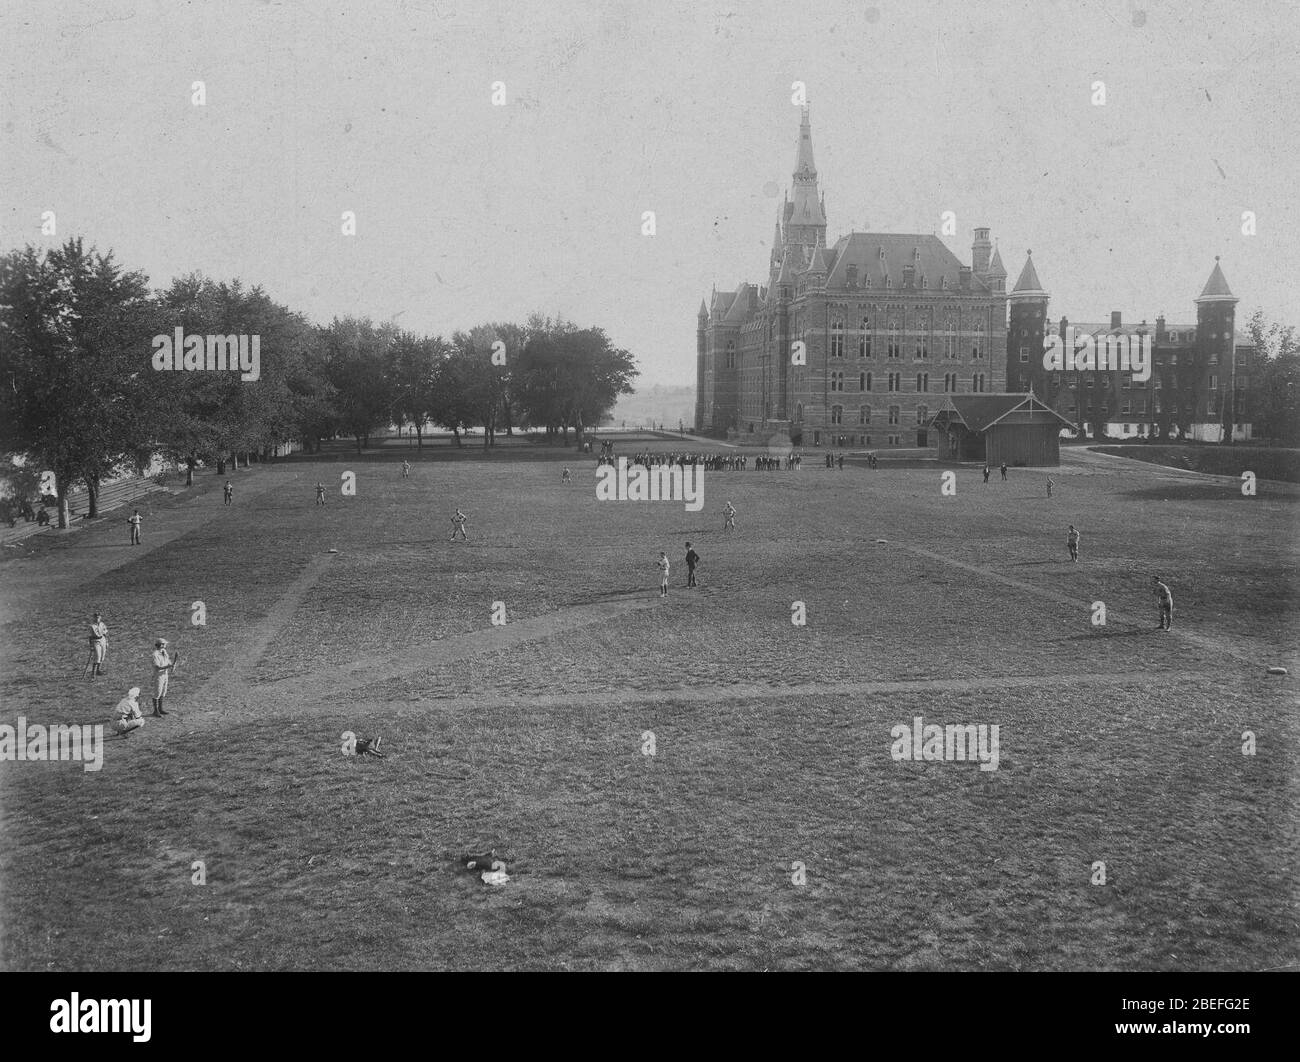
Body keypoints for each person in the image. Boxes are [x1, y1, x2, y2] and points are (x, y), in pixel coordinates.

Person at [152, 638, 176, 716]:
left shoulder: (164, 652)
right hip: (159, 675)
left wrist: (171, 665)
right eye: (164, 644)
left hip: (165, 674)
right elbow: (157, 667)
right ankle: (155, 711)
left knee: (163, 691)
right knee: (157, 692)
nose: (166, 645)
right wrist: (167, 666)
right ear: (161, 645)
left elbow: (168, 661)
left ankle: (160, 709)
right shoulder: (155, 654)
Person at [88, 612, 109, 679]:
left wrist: (107, 642)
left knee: (102, 656)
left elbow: (105, 633)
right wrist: (91, 646)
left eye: (98, 617)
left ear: (100, 618)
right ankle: (93, 673)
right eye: (96, 617)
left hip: (103, 640)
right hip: (96, 641)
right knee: (97, 656)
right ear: (93, 618)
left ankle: (98, 670)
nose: (97, 618)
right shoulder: (92, 626)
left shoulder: (102, 624)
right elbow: (90, 637)